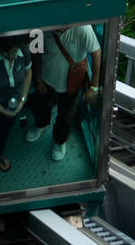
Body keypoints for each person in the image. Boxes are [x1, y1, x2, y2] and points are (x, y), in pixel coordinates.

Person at [27, 25, 101, 160]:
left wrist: (94, 88)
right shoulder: (42, 24)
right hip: (46, 78)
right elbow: (35, 51)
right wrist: (37, 78)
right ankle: (41, 124)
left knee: (66, 116)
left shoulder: (84, 28)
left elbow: (96, 54)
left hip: (71, 82)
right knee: (41, 104)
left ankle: (59, 142)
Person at [0, 36, 31, 183]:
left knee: (5, 132)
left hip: (14, 103)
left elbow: (28, 73)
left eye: (14, 52)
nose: (12, 57)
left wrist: (22, 100)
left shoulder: (23, 50)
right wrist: (1, 110)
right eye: (7, 54)